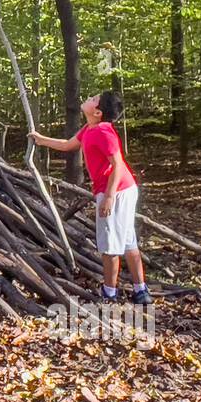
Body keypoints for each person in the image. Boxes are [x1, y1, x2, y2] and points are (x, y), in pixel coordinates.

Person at [29, 91, 151, 305]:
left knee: (110, 245)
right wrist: (41, 140)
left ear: (97, 112)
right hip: (123, 188)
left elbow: (118, 164)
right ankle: (140, 290)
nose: (89, 98)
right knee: (128, 240)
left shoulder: (104, 131)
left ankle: (110, 293)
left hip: (117, 190)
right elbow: (68, 145)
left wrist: (110, 197)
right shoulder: (90, 129)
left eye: (94, 99)